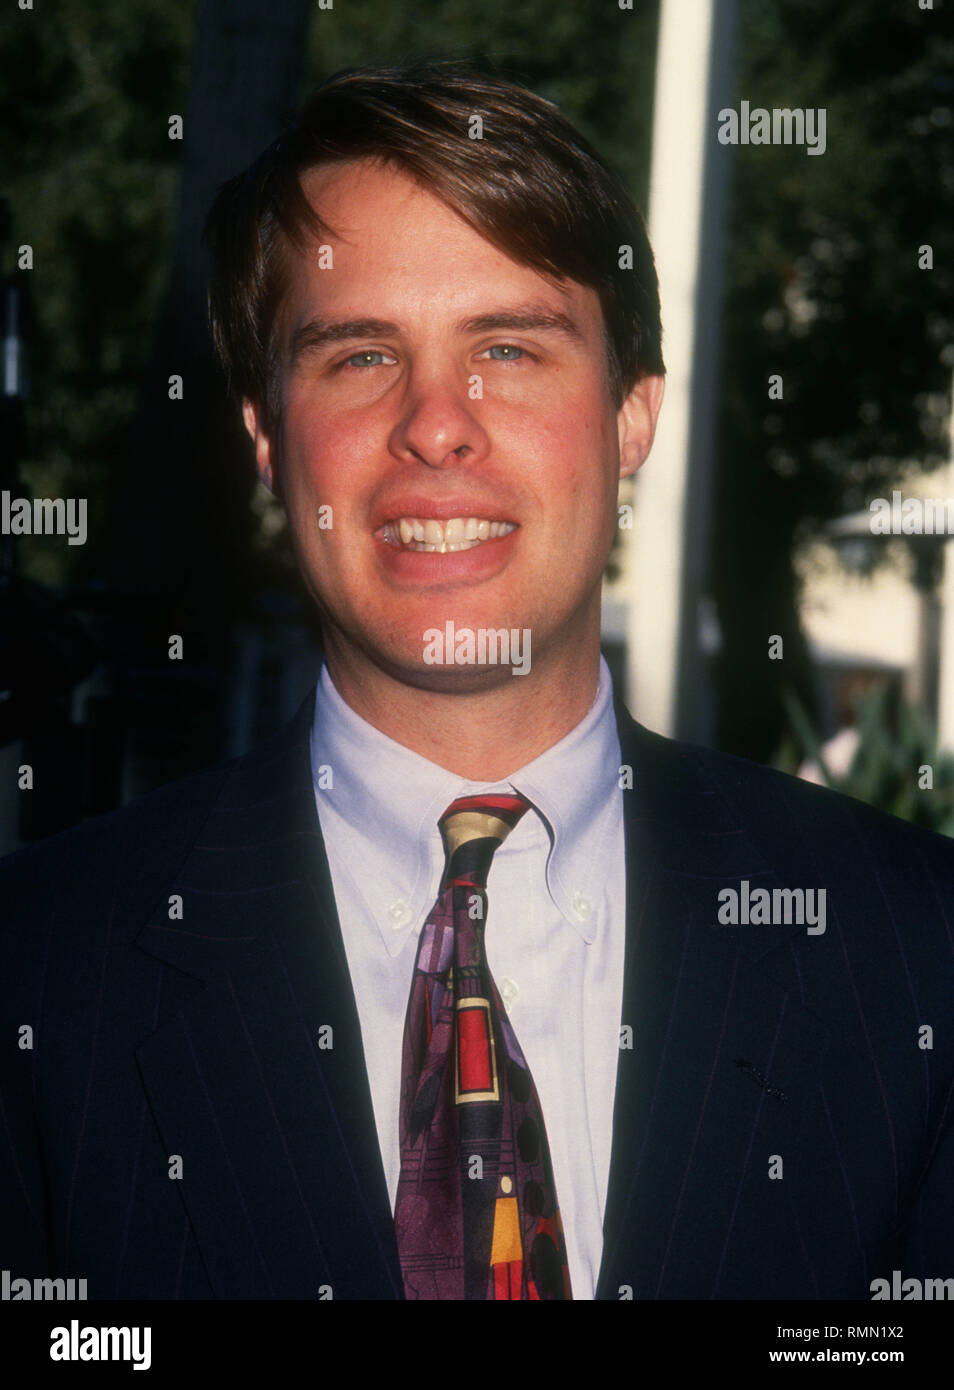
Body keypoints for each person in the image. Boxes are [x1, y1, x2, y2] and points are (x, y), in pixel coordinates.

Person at [2, 62, 953, 1302]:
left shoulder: (915, 953)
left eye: (508, 346)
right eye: (357, 356)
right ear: (265, 437)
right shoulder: (42, 974)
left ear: (630, 418)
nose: (437, 424)